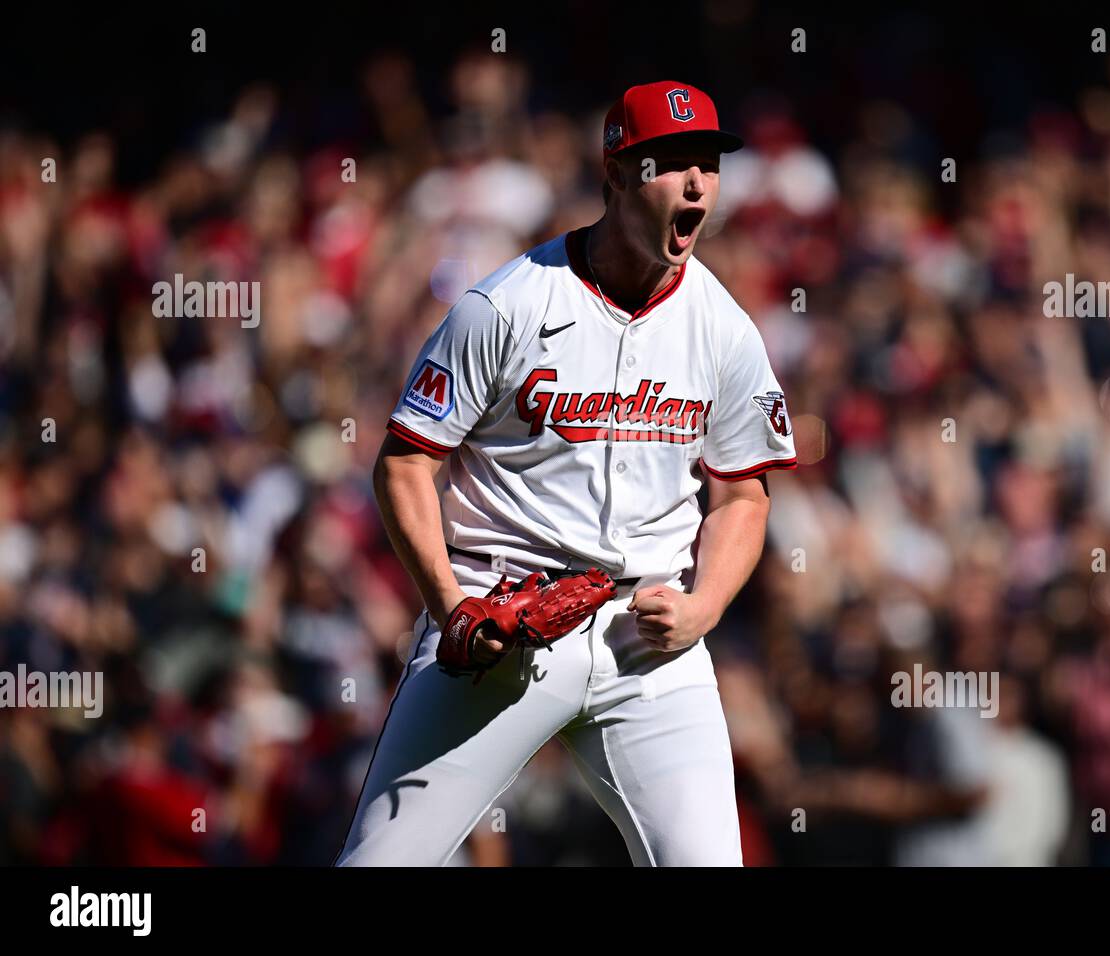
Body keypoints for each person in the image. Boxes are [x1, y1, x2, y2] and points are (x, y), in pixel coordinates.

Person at [335, 81, 797, 866]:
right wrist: (449, 604)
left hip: (648, 649)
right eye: (671, 163)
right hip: (502, 624)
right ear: (615, 174)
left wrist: (705, 607)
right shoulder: (506, 305)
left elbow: (743, 496)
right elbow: (406, 463)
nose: (696, 185)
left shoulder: (723, 327)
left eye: (708, 165)